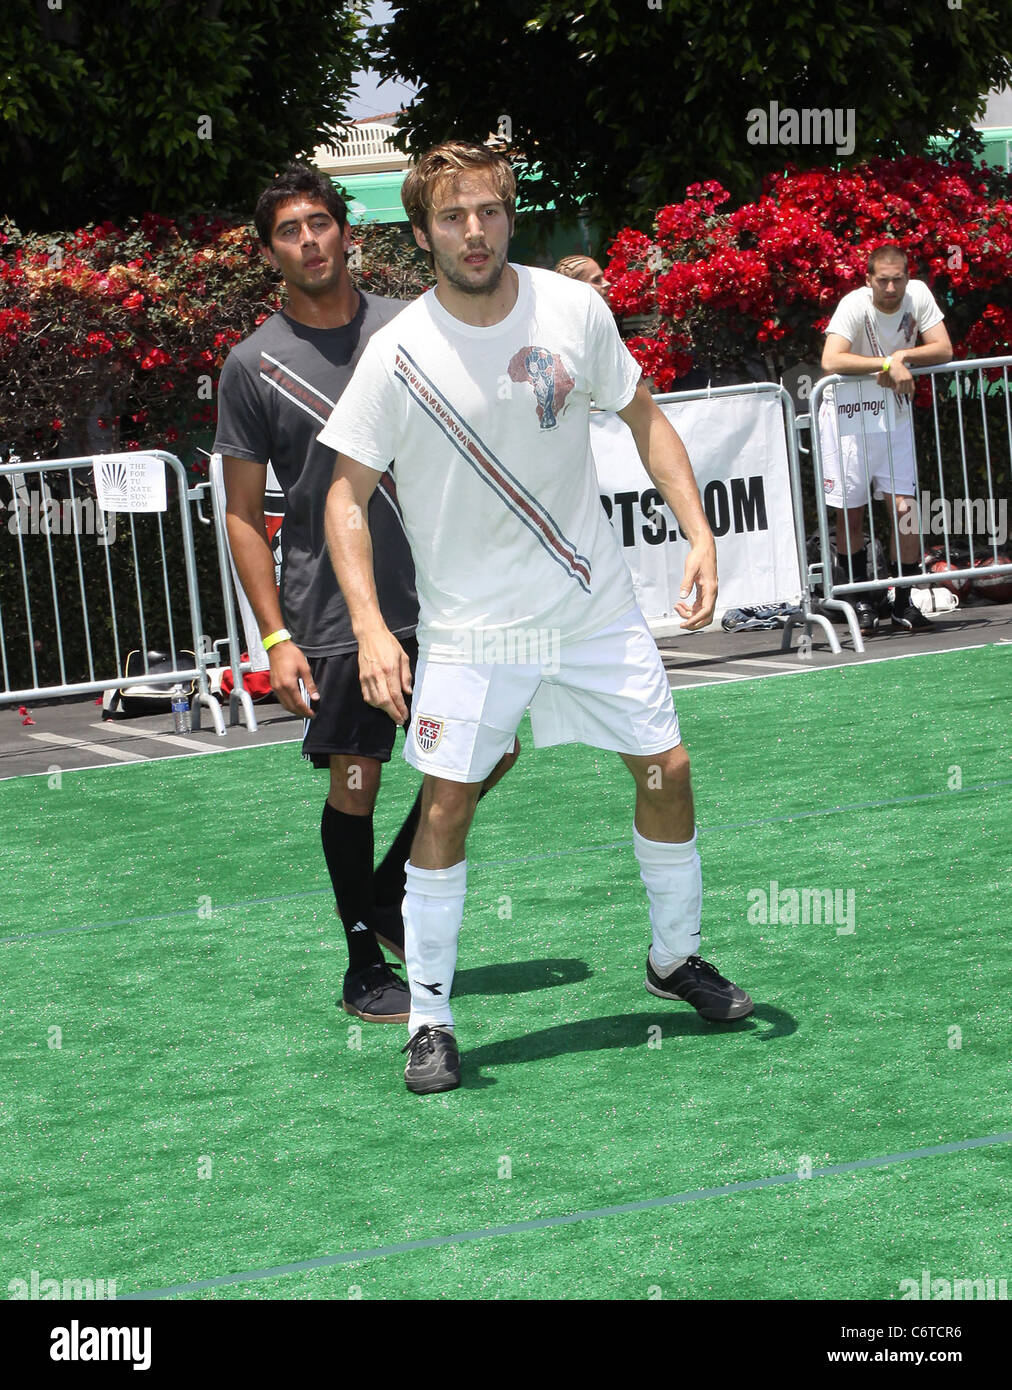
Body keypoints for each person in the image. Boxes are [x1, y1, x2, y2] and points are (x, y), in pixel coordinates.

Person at [319, 141, 753, 1096]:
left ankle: (675, 960)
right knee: (446, 805)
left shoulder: (574, 309)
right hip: (474, 633)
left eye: (487, 212)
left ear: (510, 214)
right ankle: (429, 1021)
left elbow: (643, 419)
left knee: (667, 768)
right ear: (422, 230)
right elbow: (344, 497)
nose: (472, 232)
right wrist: (372, 627)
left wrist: (699, 531)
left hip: (592, 607)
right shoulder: (398, 354)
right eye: (450, 217)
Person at [215, 163, 515, 1027]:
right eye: (288, 230)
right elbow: (241, 514)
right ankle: (360, 959)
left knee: (488, 752)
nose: (309, 241)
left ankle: (388, 891)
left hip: (447, 594)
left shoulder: (412, 325)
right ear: (269, 248)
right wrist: (275, 639)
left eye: (320, 223)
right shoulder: (251, 366)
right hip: (337, 612)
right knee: (358, 777)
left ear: (347, 230)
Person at [819, 244, 952, 634]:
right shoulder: (853, 304)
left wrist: (902, 357)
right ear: (868, 279)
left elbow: (944, 347)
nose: (891, 287)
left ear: (907, 277)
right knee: (851, 512)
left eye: (898, 279)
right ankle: (860, 600)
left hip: (891, 412)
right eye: (883, 280)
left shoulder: (919, 295)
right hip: (847, 414)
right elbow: (832, 359)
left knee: (905, 510)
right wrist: (885, 362)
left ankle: (905, 602)